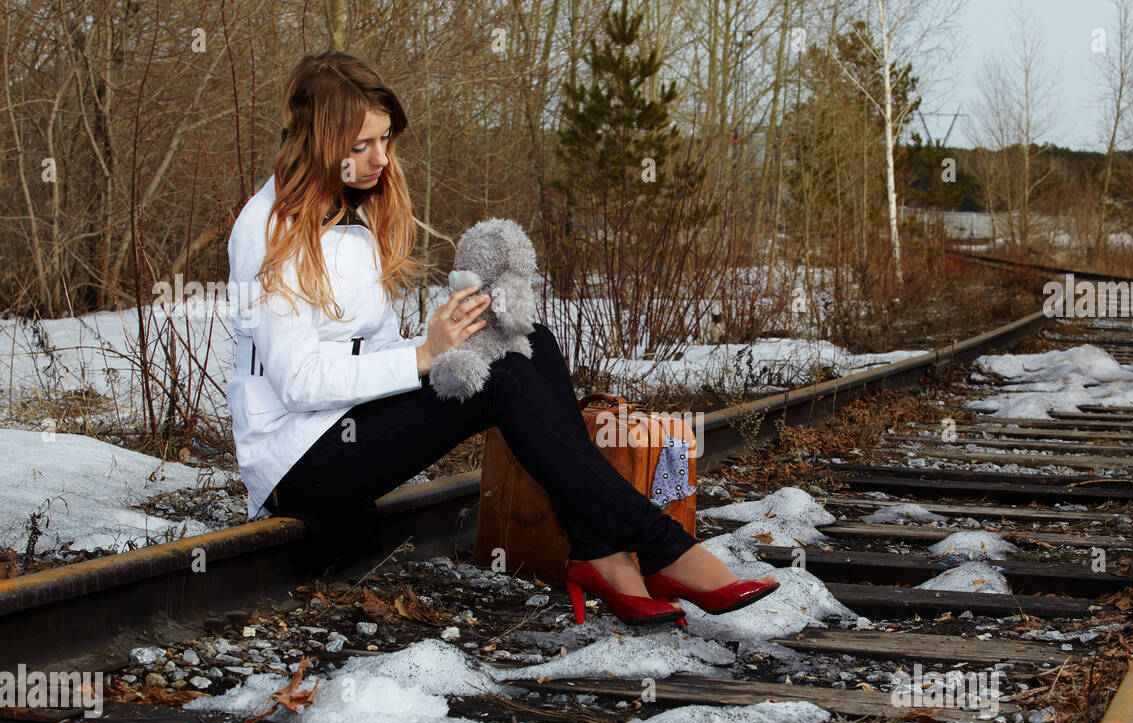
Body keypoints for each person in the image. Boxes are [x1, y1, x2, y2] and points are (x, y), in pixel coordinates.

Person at [225, 51, 779, 628]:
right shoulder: (273, 229)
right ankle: (660, 545)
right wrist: (424, 355)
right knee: (503, 379)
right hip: (300, 460)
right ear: (320, 140)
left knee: (526, 340)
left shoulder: (352, 214)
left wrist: (451, 334)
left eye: (386, 140)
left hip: (353, 421)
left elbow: (367, 348)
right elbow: (296, 382)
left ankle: (600, 551)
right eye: (361, 145)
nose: (381, 160)